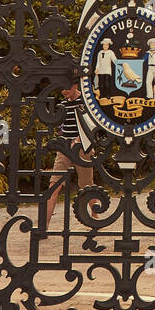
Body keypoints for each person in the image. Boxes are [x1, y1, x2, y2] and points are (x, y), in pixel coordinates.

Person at [45, 80, 96, 228]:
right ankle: (44, 225)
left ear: (75, 86)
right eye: (62, 89)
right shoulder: (63, 104)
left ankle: (95, 218)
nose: (64, 91)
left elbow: (91, 124)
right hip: (65, 149)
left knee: (86, 186)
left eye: (66, 88)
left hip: (82, 148)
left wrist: (78, 140)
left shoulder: (85, 101)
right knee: (54, 185)